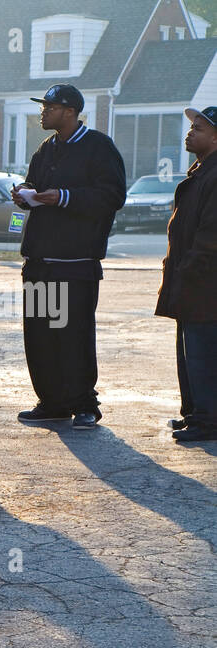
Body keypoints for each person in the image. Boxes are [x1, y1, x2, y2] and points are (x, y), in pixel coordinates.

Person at [11, 84, 126, 429]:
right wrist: (25, 195)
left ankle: (83, 403)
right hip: (39, 262)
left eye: (50, 106)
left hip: (75, 264)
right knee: (40, 335)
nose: (43, 112)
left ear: (70, 111)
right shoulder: (46, 149)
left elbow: (112, 196)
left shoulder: (98, 147)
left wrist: (62, 197)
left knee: (72, 334)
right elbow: (35, 186)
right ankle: (52, 402)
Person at [156, 106, 217, 443]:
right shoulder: (201, 172)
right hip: (190, 280)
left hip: (206, 284)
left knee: (204, 352)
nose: (190, 132)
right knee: (189, 351)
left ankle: (208, 421)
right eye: (191, 126)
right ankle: (194, 413)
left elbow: (210, 235)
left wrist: (189, 270)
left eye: (199, 128)